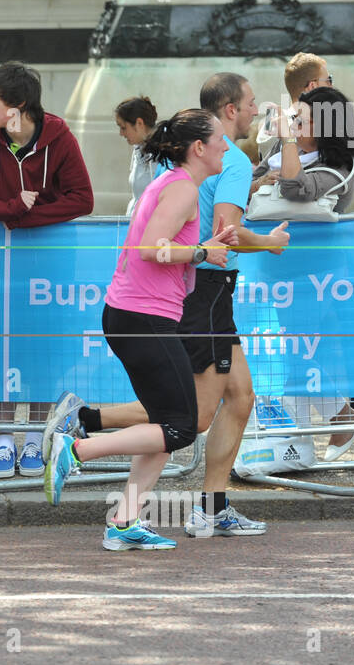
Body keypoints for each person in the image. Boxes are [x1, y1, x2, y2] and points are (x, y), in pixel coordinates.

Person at [61, 74, 291, 536]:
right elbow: (188, 239)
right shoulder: (206, 175)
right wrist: (261, 243)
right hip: (187, 302)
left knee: (238, 398)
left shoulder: (174, 176)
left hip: (184, 299)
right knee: (189, 420)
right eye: (249, 105)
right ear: (222, 119)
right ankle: (80, 433)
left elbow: (191, 236)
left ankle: (145, 515)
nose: (252, 115)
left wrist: (210, 249)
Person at [44, 109, 238, 549]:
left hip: (134, 316)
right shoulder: (183, 189)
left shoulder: (174, 184)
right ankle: (75, 449)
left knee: (165, 425)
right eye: (221, 140)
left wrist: (205, 250)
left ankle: (124, 523)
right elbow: (153, 248)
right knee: (183, 428)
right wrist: (202, 254)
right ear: (199, 149)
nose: (227, 147)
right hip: (142, 318)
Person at [0, 61, 94, 477]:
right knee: (3, 349)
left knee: (41, 351)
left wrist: (26, 219)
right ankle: (4, 440)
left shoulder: (60, 136)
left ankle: (35, 438)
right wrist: (13, 209)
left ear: (17, 106)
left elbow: (82, 199)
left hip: (51, 266)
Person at [254, 86, 354, 459]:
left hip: (317, 270)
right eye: (294, 115)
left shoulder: (338, 166)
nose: (292, 123)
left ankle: (305, 431)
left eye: (302, 119)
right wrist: (263, 178)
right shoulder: (280, 150)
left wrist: (287, 145)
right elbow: (249, 187)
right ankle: (323, 424)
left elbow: (295, 189)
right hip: (277, 264)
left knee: (300, 348)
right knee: (298, 347)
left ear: (325, 126)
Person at [115, 96, 159, 216]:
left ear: (139, 123)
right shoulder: (138, 149)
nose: (121, 133)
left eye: (124, 127)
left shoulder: (164, 155)